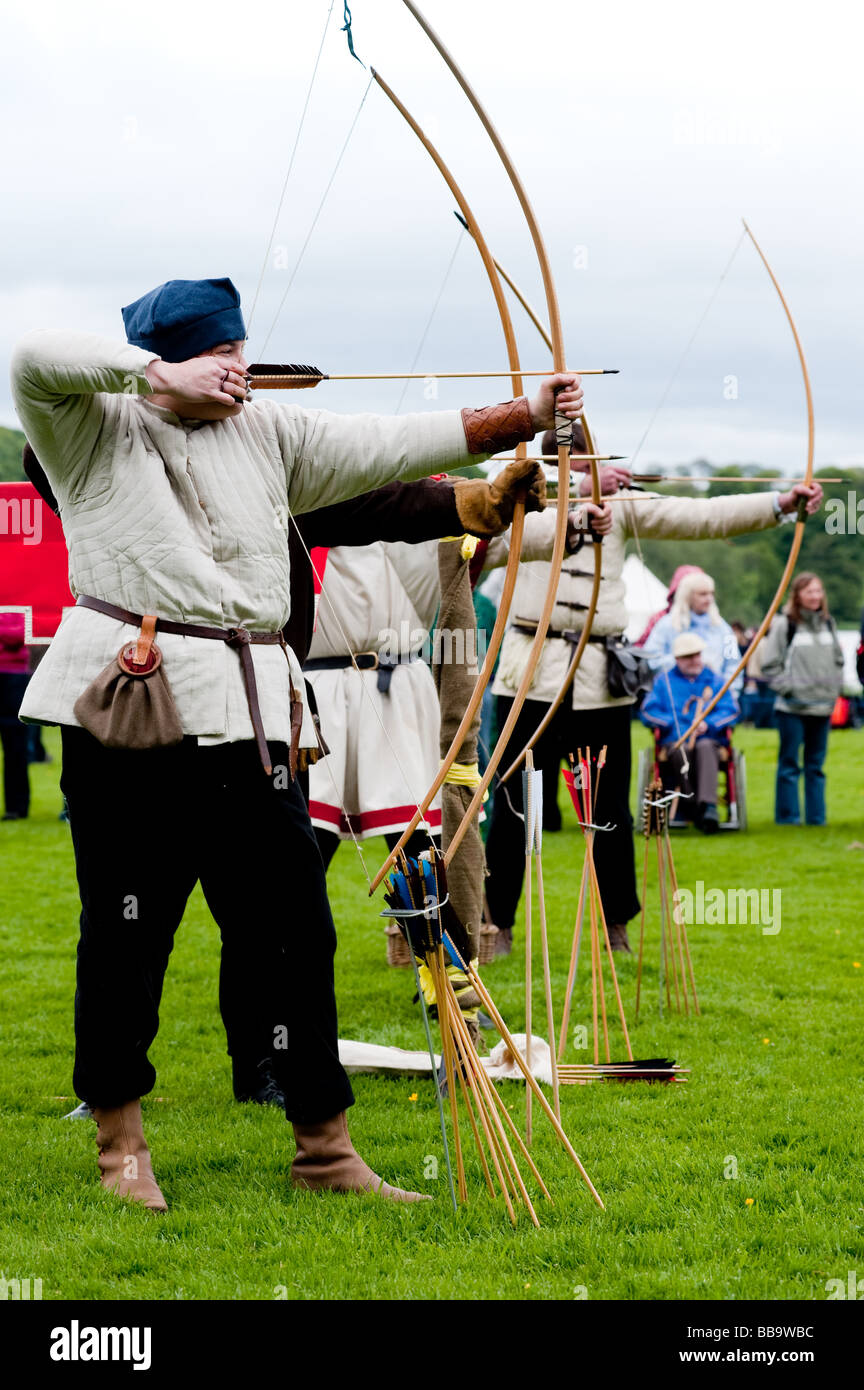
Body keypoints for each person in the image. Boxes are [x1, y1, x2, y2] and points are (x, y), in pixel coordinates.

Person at [10, 274, 583, 1210]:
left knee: (293, 936)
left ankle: (326, 1149)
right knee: (126, 936)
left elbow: (380, 448)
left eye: (239, 348)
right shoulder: (86, 432)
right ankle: (121, 1145)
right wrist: (159, 376)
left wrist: (519, 414)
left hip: (254, 723)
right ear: (171, 356)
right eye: (217, 352)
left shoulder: (267, 434)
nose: (236, 367)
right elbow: (32, 356)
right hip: (133, 718)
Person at [482, 425, 824, 953]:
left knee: (610, 809)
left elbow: (702, 517)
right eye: (574, 458)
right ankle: (496, 922)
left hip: (599, 679)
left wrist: (778, 504)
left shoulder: (617, 501)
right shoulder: (523, 495)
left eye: (589, 457)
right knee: (510, 806)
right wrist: (580, 488)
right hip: (531, 675)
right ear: (556, 460)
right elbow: (507, 529)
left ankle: (615, 923)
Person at [761, 572, 843, 826]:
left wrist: (834, 689)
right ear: (797, 595)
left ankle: (816, 818)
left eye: (818, 591)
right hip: (792, 708)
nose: (815, 596)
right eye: (809, 591)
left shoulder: (829, 623)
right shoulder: (785, 625)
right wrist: (789, 689)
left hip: (823, 706)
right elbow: (769, 665)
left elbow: (838, 660)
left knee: (816, 766)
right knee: (789, 764)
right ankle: (787, 817)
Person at [638, 632, 739, 833]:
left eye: (697, 655)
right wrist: (675, 727)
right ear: (677, 659)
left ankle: (708, 807)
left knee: (704, 747)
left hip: (709, 740)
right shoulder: (663, 681)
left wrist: (707, 724)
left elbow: (731, 710)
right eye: (688, 657)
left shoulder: (716, 681)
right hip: (675, 741)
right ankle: (691, 805)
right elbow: (648, 711)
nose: (694, 661)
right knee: (680, 750)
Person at [640, 569, 743, 692]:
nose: (709, 598)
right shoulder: (667, 625)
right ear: (688, 595)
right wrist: (684, 662)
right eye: (702, 594)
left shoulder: (723, 628)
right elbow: (651, 660)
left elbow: (734, 663)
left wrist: (726, 692)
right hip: (674, 698)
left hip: (713, 700)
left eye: (711, 593)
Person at [0, 612, 31, 821]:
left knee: (15, 746)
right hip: (12, 674)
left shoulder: (19, 603)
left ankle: (17, 806)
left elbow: (18, 635)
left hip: (14, 678)